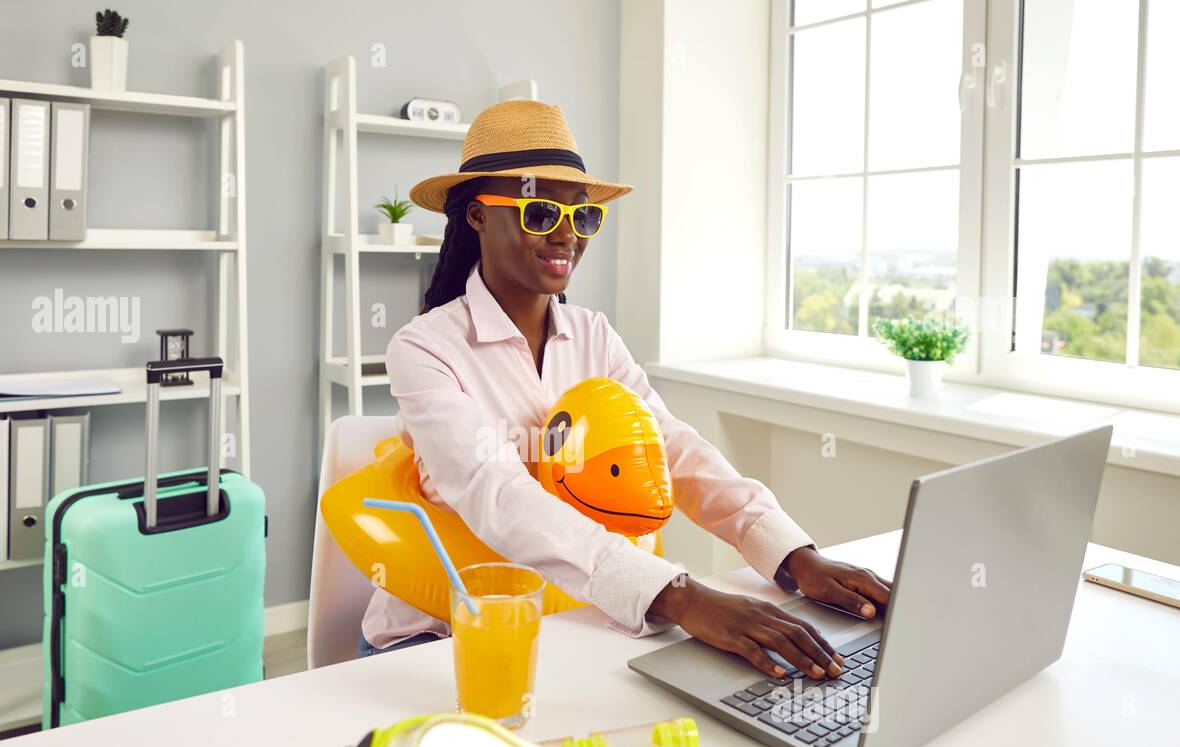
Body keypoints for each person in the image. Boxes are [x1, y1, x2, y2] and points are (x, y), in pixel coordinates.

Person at [357, 100, 891, 678]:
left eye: (582, 217)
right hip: (442, 635)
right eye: (539, 214)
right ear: (478, 217)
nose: (567, 235)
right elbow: (496, 492)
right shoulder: (424, 349)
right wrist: (682, 597)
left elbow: (672, 449)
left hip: (569, 617)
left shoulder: (594, 336)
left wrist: (791, 556)